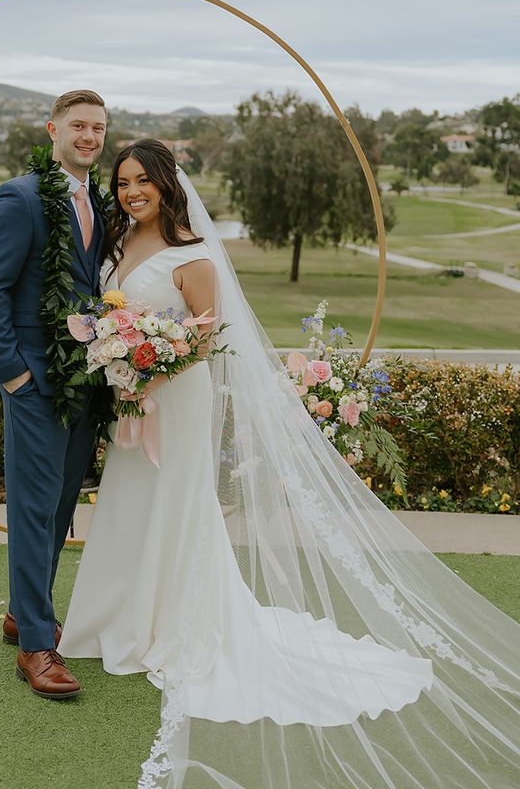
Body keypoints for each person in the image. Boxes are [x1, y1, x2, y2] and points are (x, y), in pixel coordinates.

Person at [60, 139, 520, 789]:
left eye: (143, 180)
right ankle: (118, 617)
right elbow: (116, 317)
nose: (132, 191)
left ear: (166, 183)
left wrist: (150, 376)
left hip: (174, 400)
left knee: (173, 503)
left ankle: (166, 626)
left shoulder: (193, 255)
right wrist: (121, 367)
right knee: (131, 501)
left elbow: (203, 335)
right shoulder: (118, 242)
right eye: (124, 181)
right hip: (132, 398)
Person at [0, 89, 108, 700]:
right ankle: (34, 645)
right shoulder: (20, 197)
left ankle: (22, 613)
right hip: (35, 381)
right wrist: (14, 376)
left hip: (89, 379)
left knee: (59, 508)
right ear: (53, 129)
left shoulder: (98, 202)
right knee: (31, 506)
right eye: (78, 125)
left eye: (98, 128)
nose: (89, 136)